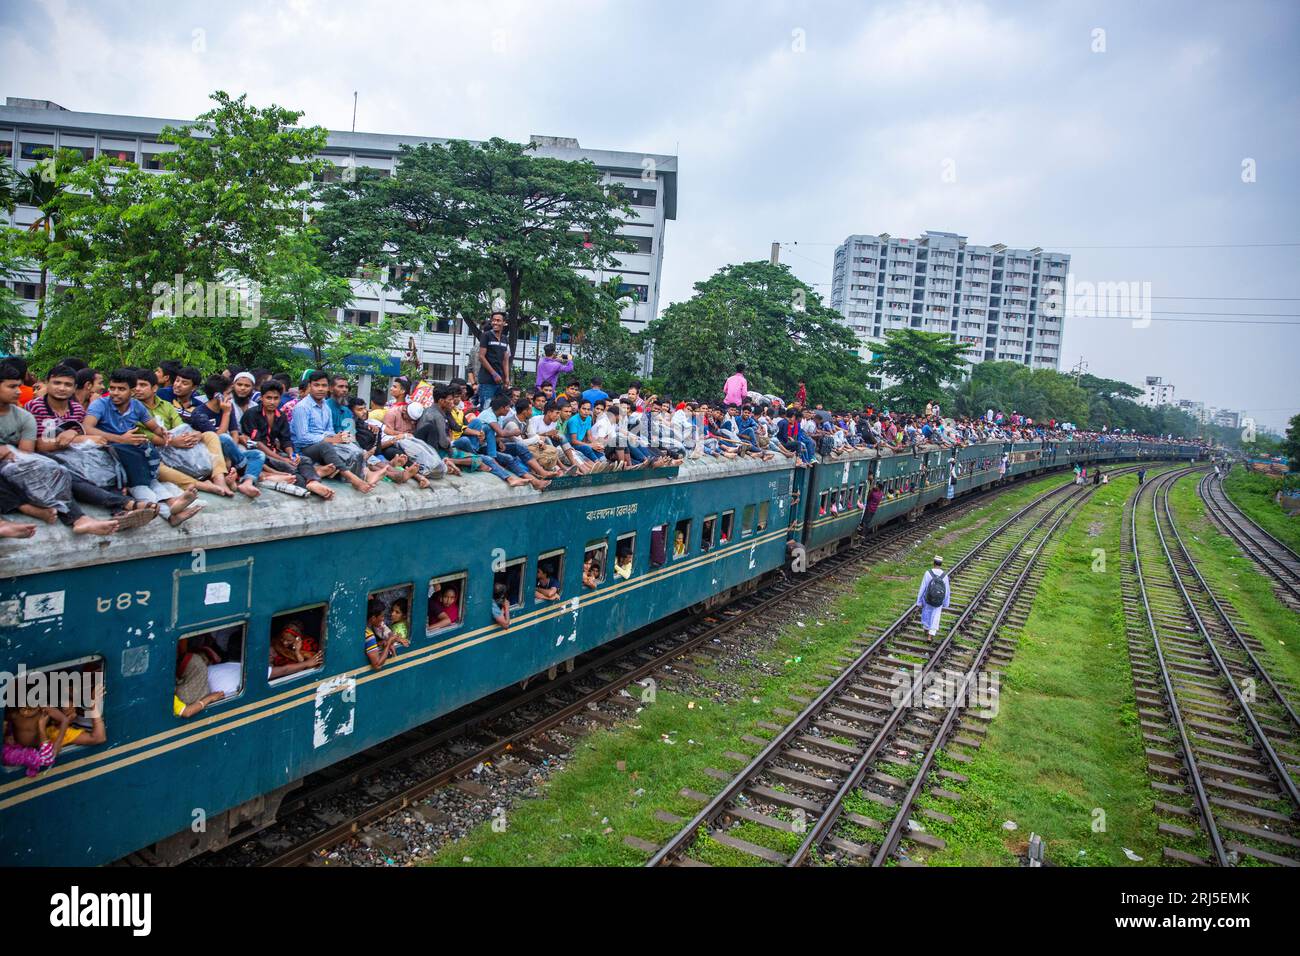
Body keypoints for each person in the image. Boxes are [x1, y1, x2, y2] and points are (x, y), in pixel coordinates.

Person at [477, 312, 511, 411]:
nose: (495, 322)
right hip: (487, 380)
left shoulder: (505, 339)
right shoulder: (486, 335)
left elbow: (505, 360)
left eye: (498, 320)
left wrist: (507, 378)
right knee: (486, 409)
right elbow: (481, 357)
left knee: (499, 410)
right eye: (493, 320)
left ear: (504, 323)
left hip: (500, 382)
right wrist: (494, 374)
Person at [916, 556, 951, 640]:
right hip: (938, 600)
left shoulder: (928, 573)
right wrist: (946, 603)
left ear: (934, 563)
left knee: (926, 613)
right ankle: (930, 635)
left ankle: (926, 629)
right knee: (936, 616)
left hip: (928, 599)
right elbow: (946, 591)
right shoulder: (944, 575)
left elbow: (923, 587)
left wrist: (919, 601)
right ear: (941, 564)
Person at [364, 599, 400, 670]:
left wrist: (378, 643)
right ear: (373, 618)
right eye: (382, 616)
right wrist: (389, 642)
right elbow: (377, 665)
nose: (383, 619)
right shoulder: (369, 635)